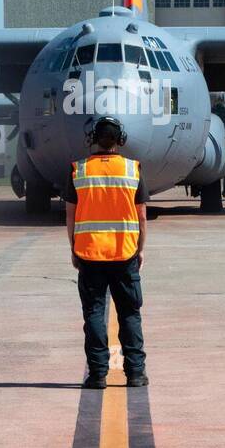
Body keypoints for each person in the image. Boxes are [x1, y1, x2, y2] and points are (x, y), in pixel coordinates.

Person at [64, 116, 148, 389]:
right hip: (124, 254)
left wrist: (74, 248)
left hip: (89, 254)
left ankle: (98, 374)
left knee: (94, 314)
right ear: (120, 140)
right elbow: (142, 216)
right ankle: (135, 373)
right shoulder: (132, 169)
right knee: (130, 314)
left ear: (93, 139)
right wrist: (140, 249)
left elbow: (71, 216)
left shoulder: (78, 170)